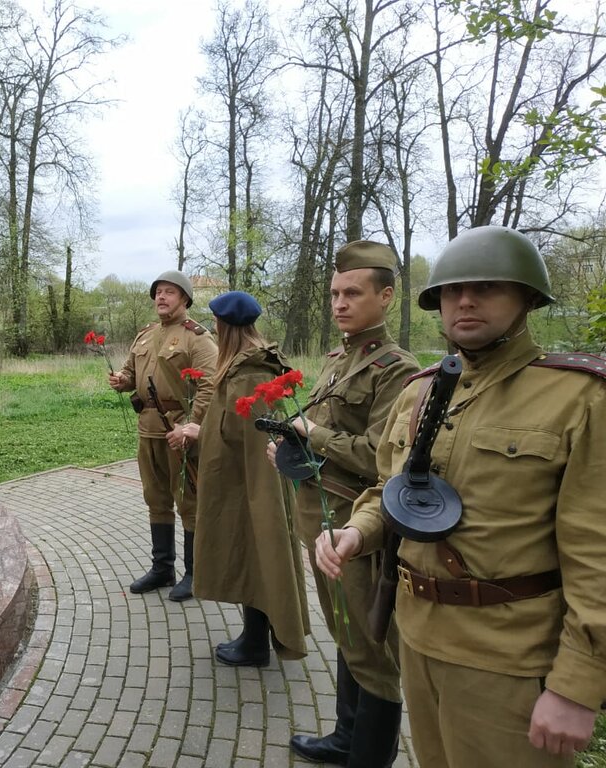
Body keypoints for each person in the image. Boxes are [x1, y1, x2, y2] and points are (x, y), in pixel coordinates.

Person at [314, 225, 606, 767]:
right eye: (452, 290)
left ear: (527, 298)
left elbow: (597, 555)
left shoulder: (579, 399)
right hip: (417, 640)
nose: (465, 300)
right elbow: (390, 490)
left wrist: (576, 685)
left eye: (487, 286)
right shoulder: (419, 392)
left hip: (507, 659)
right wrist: (358, 530)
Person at [270, 241, 419, 767]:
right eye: (334, 292)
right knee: (344, 630)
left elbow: (382, 461)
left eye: (352, 292)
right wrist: (291, 445)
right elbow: (328, 432)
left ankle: (369, 755)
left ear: (385, 295)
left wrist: (310, 434)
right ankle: (344, 736)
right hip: (321, 517)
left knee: (371, 651)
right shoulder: (340, 358)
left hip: (356, 524)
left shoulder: (396, 370)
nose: (339, 303)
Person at [175, 291, 310, 666]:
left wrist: (258, 499)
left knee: (259, 555)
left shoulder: (250, 374)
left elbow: (255, 442)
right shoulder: (238, 366)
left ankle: (256, 645)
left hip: (254, 488)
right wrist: (201, 433)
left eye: (217, 324)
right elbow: (231, 428)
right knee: (250, 557)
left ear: (226, 327)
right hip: (241, 483)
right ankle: (253, 638)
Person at [109, 270, 217, 601]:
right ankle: (162, 568)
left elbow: (210, 385)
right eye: (158, 292)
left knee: (188, 501)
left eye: (169, 292)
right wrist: (123, 380)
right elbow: (131, 371)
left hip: (179, 431)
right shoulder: (145, 336)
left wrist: (191, 425)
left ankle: (196, 574)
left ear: (185, 298)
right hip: (148, 429)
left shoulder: (197, 337)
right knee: (155, 499)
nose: (161, 297)